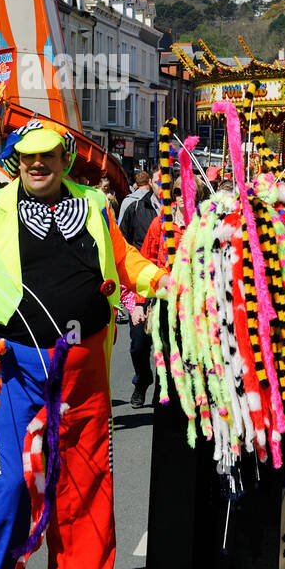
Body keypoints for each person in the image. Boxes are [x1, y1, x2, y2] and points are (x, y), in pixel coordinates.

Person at [0, 120, 168, 569]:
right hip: (12, 368)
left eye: (47, 157)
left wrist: (159, 278)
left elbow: (124, 259)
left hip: (84, 368)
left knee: (83, 481)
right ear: (17, 162)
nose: (37, 166)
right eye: (28, 158)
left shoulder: (94, 204)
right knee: (9, 481)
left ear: (64, 160)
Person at [120, 166, 164, 407]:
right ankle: (142, 378)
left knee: (165, 345)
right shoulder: (136, 206)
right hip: (140, 283)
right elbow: (121, 244)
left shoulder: (181, 212)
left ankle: (162, 391)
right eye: (159, 181)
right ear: (151, 183)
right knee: (139, 343)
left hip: (166, 285)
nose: (163, 186)